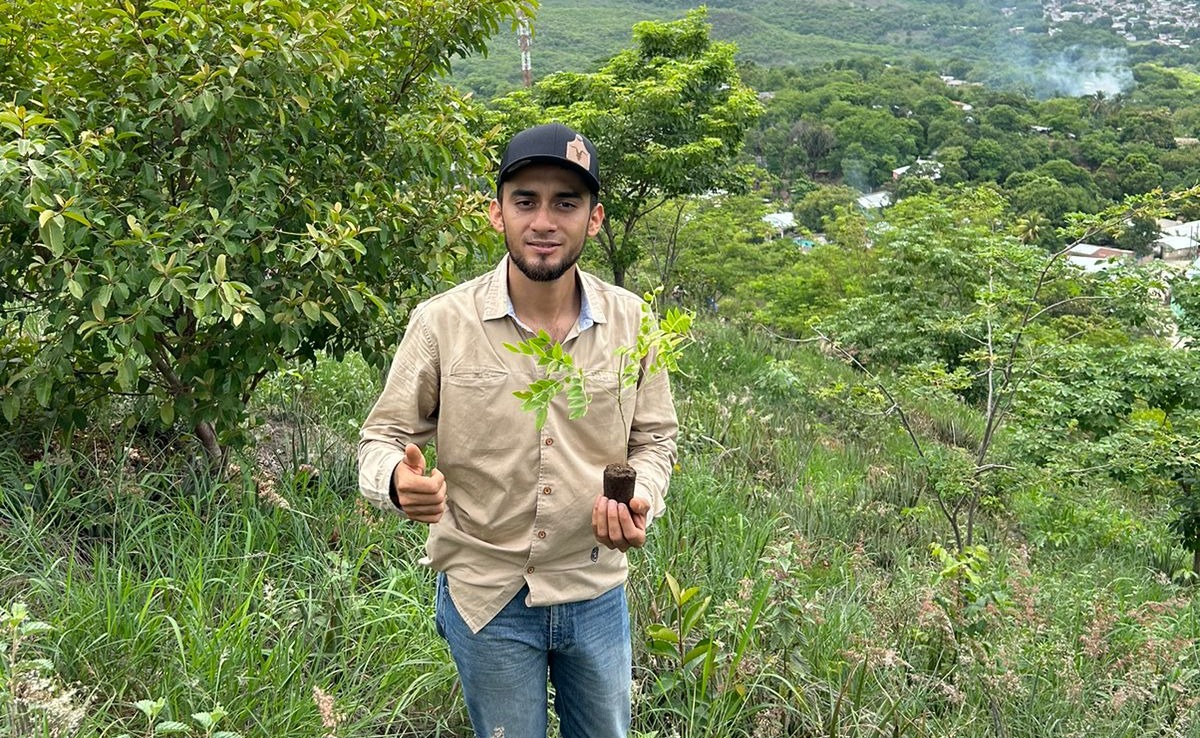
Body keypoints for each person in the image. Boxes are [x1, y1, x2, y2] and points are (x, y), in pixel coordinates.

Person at [358, 122, 678, 738]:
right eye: (525, 201)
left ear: (595, 218)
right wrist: (397, 481)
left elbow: (655, 439)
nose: (544, 221)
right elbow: (381, 438)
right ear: (496, 214)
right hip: (487, 597)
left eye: (566, 202)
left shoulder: (633, 321)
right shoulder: (442, 323)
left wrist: (644, 497)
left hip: (594, 587)